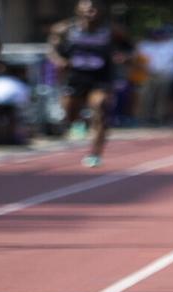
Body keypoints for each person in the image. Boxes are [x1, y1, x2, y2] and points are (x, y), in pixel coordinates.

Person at [47, 0, 132, 167]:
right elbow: (52, 49)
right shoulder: (64, 29)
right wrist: (59, 60)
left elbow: (130, 48)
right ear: (78, 10)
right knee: (69, 114)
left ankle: (95, 153)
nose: (90, 12)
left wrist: (124, 57)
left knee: (100, 108)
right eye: (86, 9)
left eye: (94, 9)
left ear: (100, 11)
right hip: (76, 77)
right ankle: (82, 123)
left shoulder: (112, 30)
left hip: (101, 77)